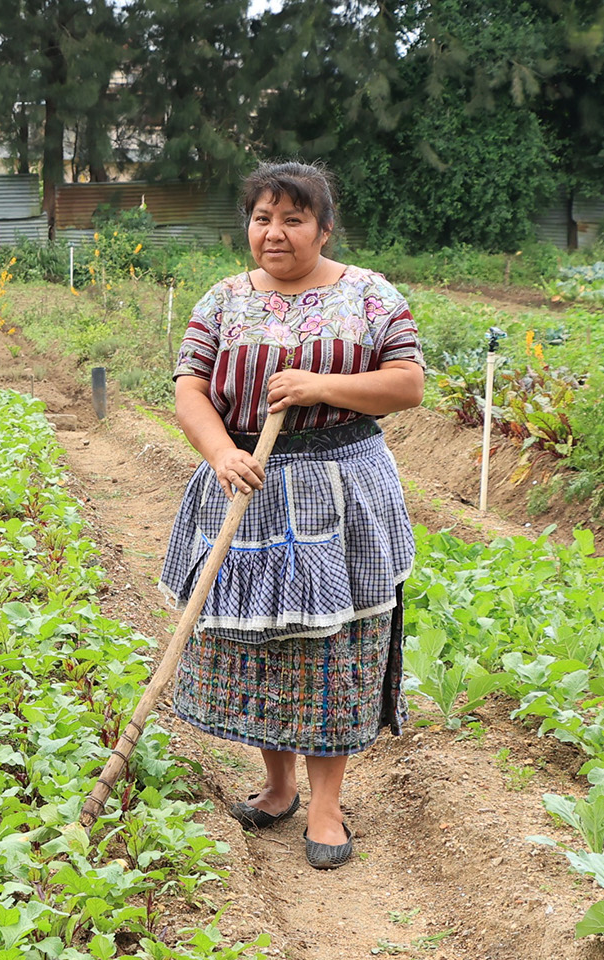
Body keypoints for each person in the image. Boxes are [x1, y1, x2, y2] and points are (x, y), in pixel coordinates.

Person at [158, 160, 424, 868]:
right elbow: (189, 389)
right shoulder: (224, 300)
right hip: (246, 484)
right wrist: (222, 453)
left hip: (340, 488)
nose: (273, 233)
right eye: (262, 218)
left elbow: (407, 384)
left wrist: (320, 385)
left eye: (292, 219)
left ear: (324, 228)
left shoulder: (369, 295)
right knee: (260, 644)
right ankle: (278, 788)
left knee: (331, 647)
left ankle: (328, 807)